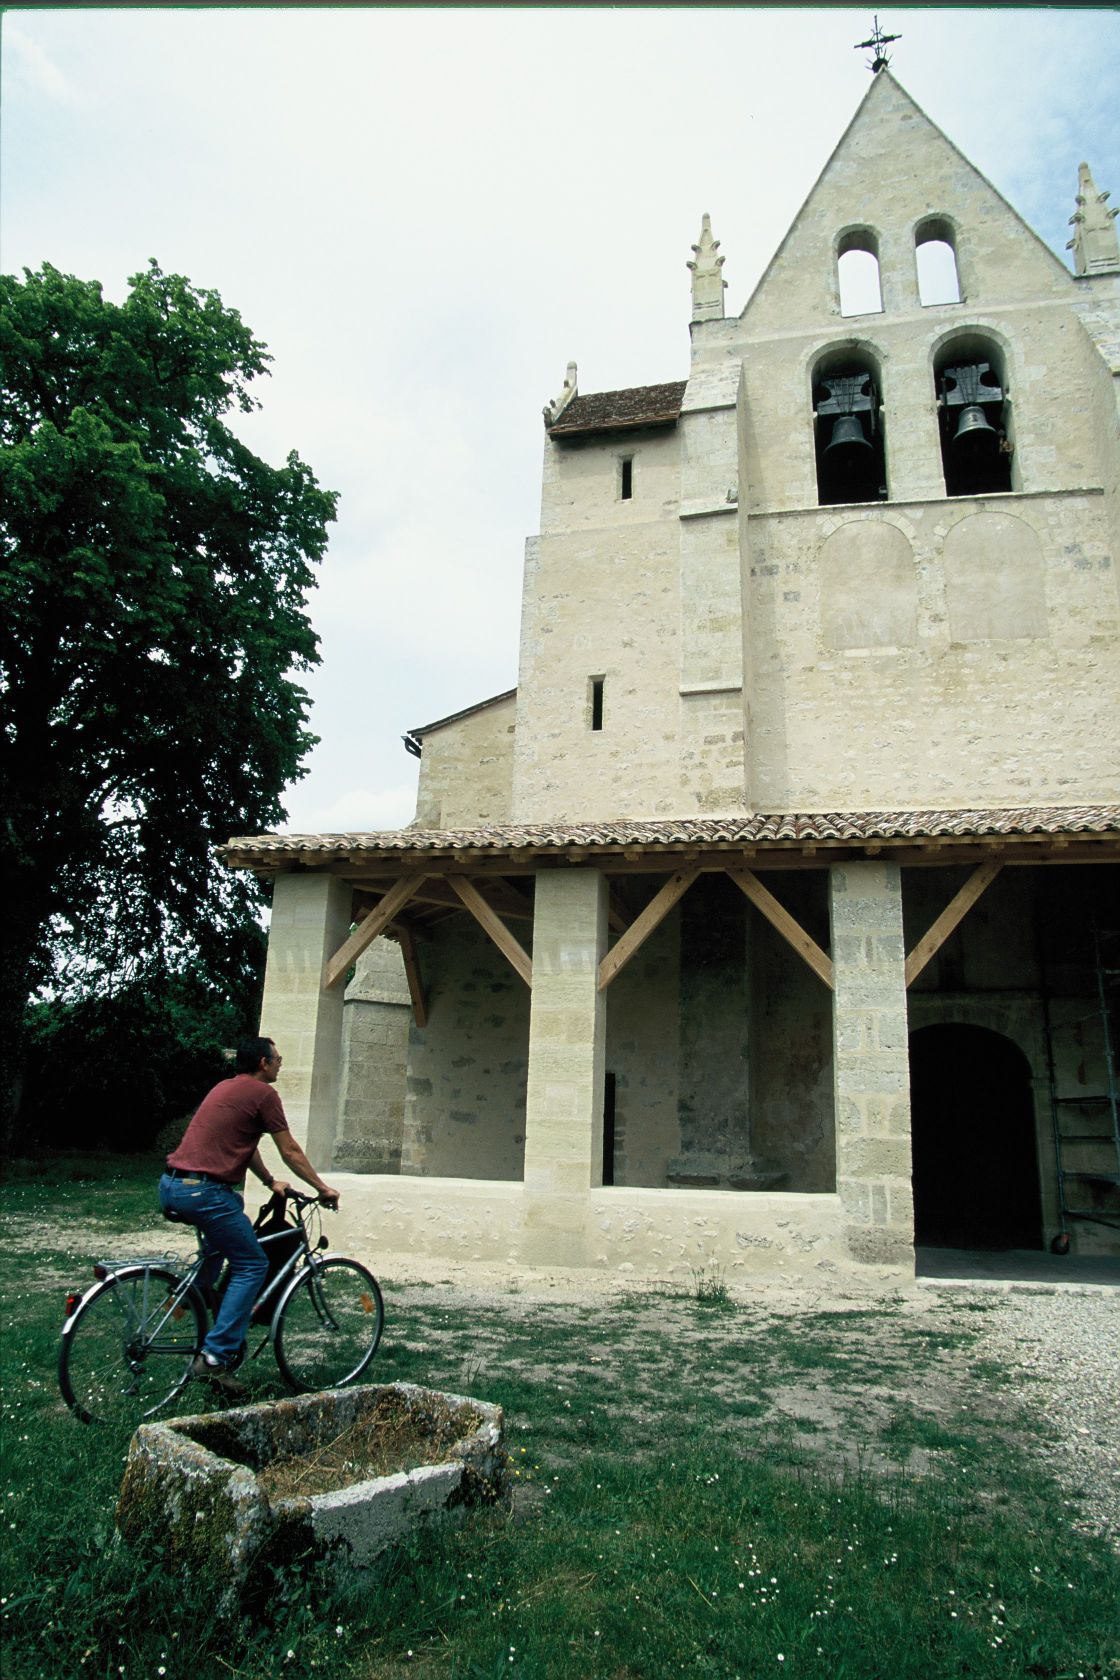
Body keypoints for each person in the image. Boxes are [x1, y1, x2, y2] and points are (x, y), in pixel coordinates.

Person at [159, 1035, 340, 1398]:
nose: (280, 1063)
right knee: (252, 1264)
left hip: (173, 1185)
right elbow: (289, 1149)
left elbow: (245, 1146)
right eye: (277, 1057)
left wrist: (270, 1181)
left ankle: (190, 1305)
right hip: (206, 1192)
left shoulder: (225, 1088)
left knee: (216, 1250)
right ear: (262, 1063)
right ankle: (213, 1358)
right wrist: (322, 1188)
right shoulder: (264, 1095)